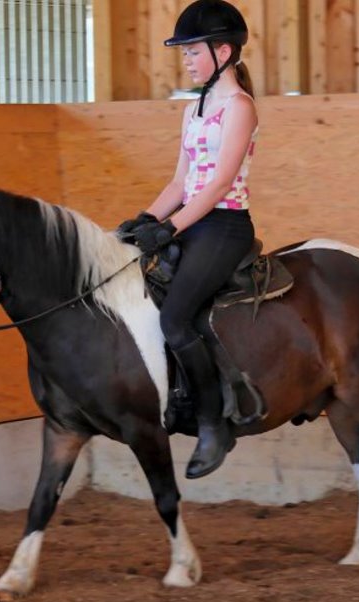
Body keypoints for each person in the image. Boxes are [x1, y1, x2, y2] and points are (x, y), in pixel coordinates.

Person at [118, 0, 258, 479]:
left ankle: (213, 422)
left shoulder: (240, 108)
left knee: (176, 318)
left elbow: (218, 185)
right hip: (193, 221)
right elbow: (180, 182)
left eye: (193, 52)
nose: (187, 61)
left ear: (224, 51)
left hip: (225, 225)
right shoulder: (195, 109)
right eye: (185, 54)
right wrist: (142, 221)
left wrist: (170, 228)